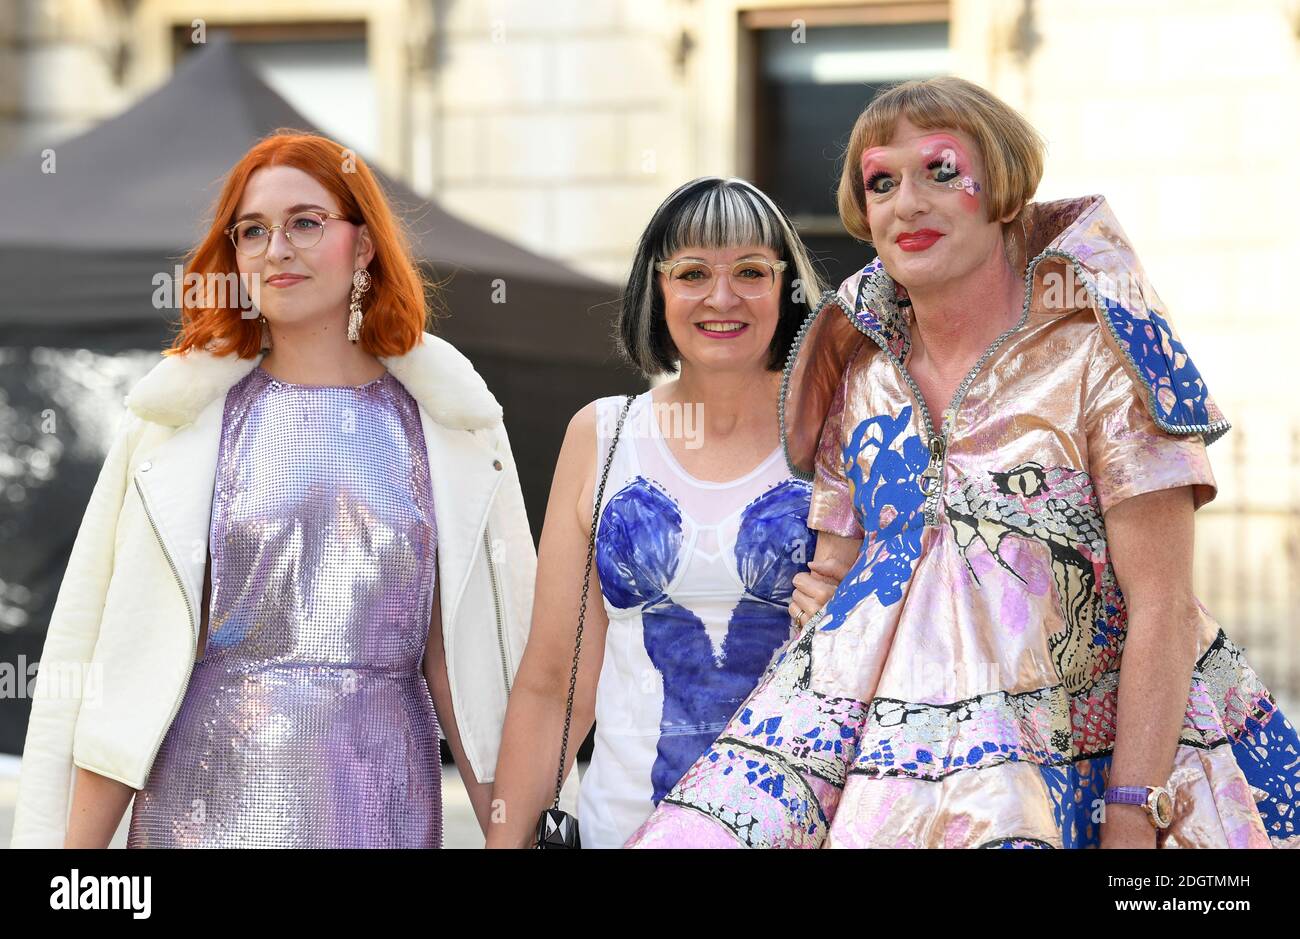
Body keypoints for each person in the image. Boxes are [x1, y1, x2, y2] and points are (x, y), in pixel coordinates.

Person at [626, 78, 1300, 849]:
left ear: (1002, 190)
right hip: (882, 768)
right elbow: (834, 572)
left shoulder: (1100, 352)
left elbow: (1164, 607)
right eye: (881, 182)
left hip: (1080, 770)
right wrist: (825, 609)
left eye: (940, 170)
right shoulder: (861, 370)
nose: (906, 202)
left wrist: (1131, 810)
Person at [10, 130, 569, 848]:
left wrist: (512, 834)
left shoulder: (452, 425)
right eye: (253, 230)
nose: (277, 249)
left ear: (363, 246)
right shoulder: (177, 421)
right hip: (204, 800)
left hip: (381, 797)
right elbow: (120, 654)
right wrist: (72, 866)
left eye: (306, 221)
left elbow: (464, 663)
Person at [486, 178, 849, 848]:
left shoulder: (839, 431)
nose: (721, 296)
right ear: (655, 291)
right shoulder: (604, 434)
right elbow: (552, 684)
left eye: (750, 271)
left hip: (801, 831)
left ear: (787, 288)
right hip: (621, 833)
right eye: (691, 273)